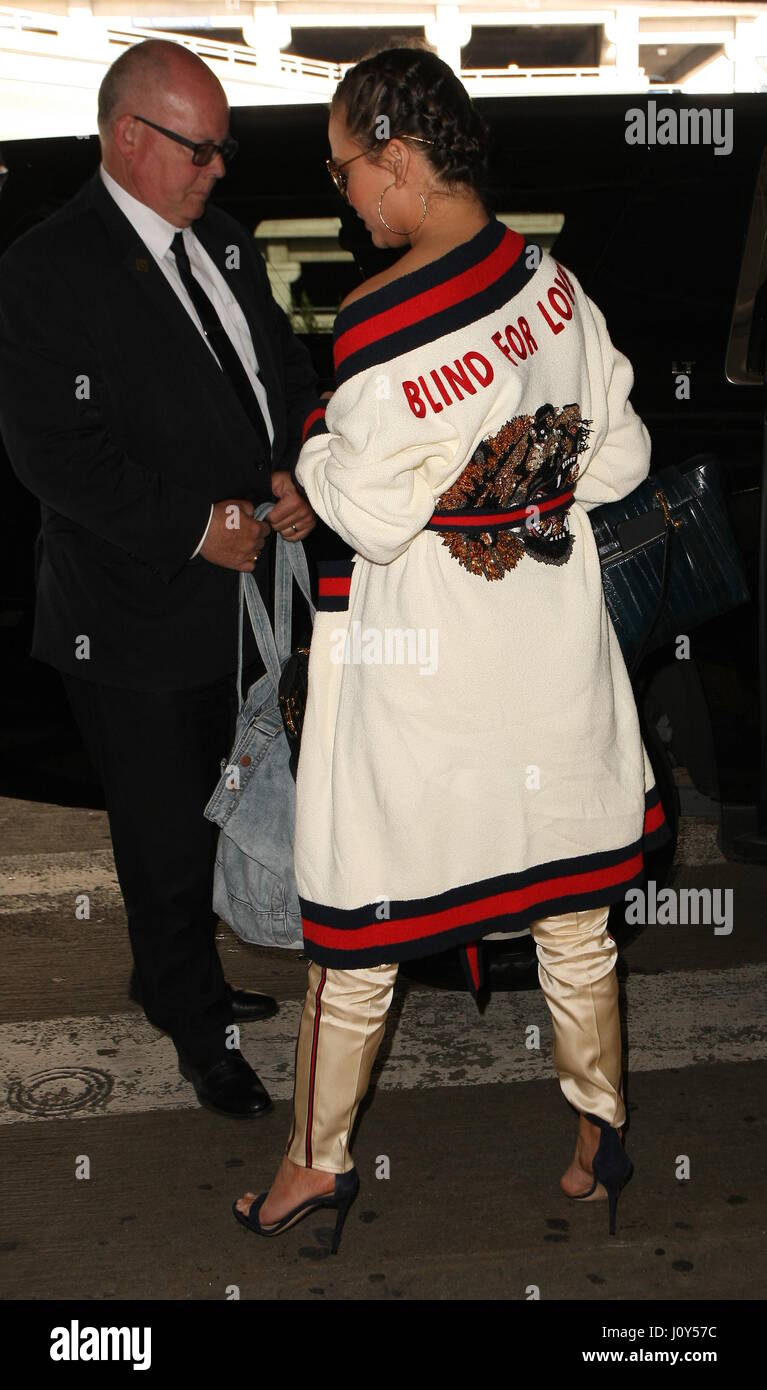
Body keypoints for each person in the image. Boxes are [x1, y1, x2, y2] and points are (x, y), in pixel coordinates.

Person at [232, 43, 673, 1245]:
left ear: (399, 157)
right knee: (573, 921)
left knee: (356, 928)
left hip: (422, 688)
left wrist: (319, 438)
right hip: (547, 666)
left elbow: (365, 513)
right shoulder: (552, 283)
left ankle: (316, 1170)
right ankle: (601, 1127)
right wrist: (526, 479)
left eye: (344, 172)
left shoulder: (379, 322)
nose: (345, 197)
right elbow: (622, 458)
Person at [0, 39, 320, 1117]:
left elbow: (276, 371)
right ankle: (201, 1032)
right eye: (200, 148)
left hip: (240, 606)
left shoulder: (220, 244)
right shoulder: (47, 268)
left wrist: (292, 467)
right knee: (163, 834)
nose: (219, 168)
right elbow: (54, 453)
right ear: (128, 137)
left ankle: (169, 972)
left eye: (223, 146)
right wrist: (197, 526)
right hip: (129, 617)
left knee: (220, 807)